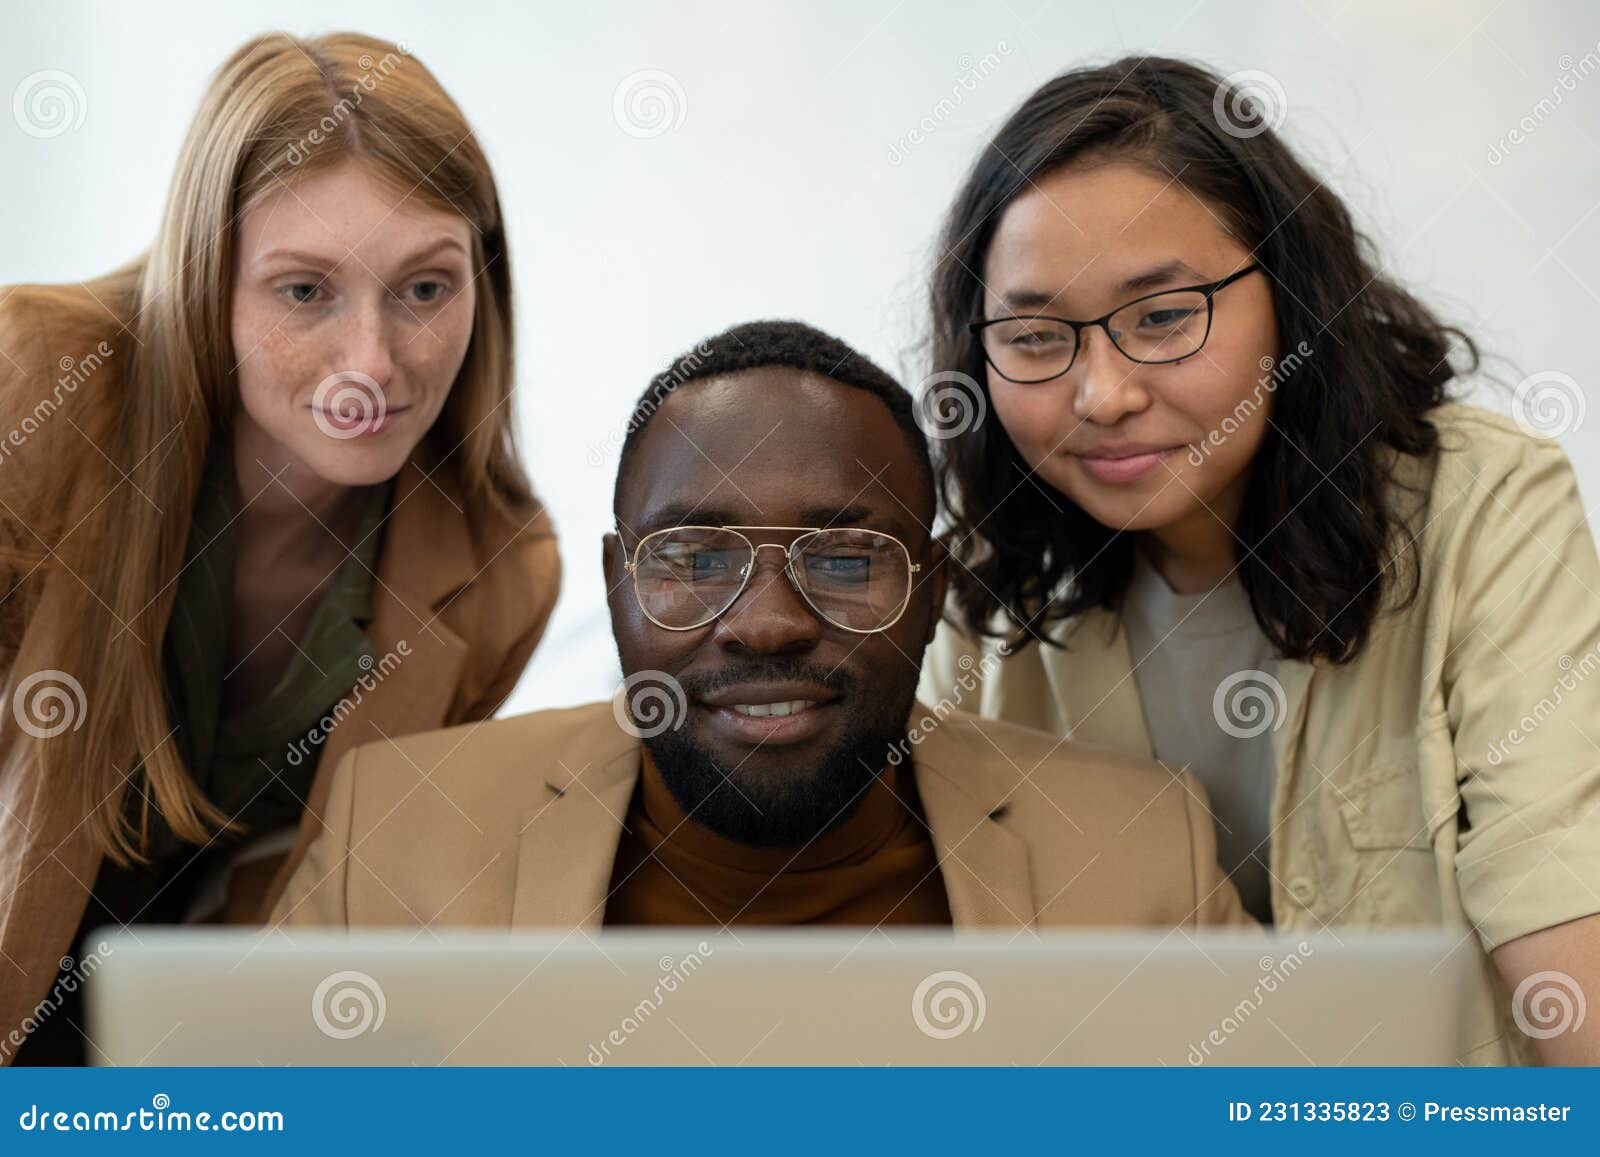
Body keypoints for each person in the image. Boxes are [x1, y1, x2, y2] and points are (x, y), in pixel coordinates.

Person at [917, 55, 1600, 1064]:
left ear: (1287, 296)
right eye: (1033, 336)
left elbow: (1554, 894)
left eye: (1160, 317)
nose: (1100, 393)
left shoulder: (1482, 504)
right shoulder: (988, 583)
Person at [270, 321, 1249, 934]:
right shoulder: (392, 835)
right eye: (693, 561)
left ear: (932, 586)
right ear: (618, 587)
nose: (768, 624)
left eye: (842, 558)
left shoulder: (1137, 851)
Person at [0, 32, 561, 1064]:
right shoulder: (35, 385)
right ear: (207, 279)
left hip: (192, 1072)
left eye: (425, 289)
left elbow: (341, 920)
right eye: (305, 292)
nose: (374, 363)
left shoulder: (498, 570)